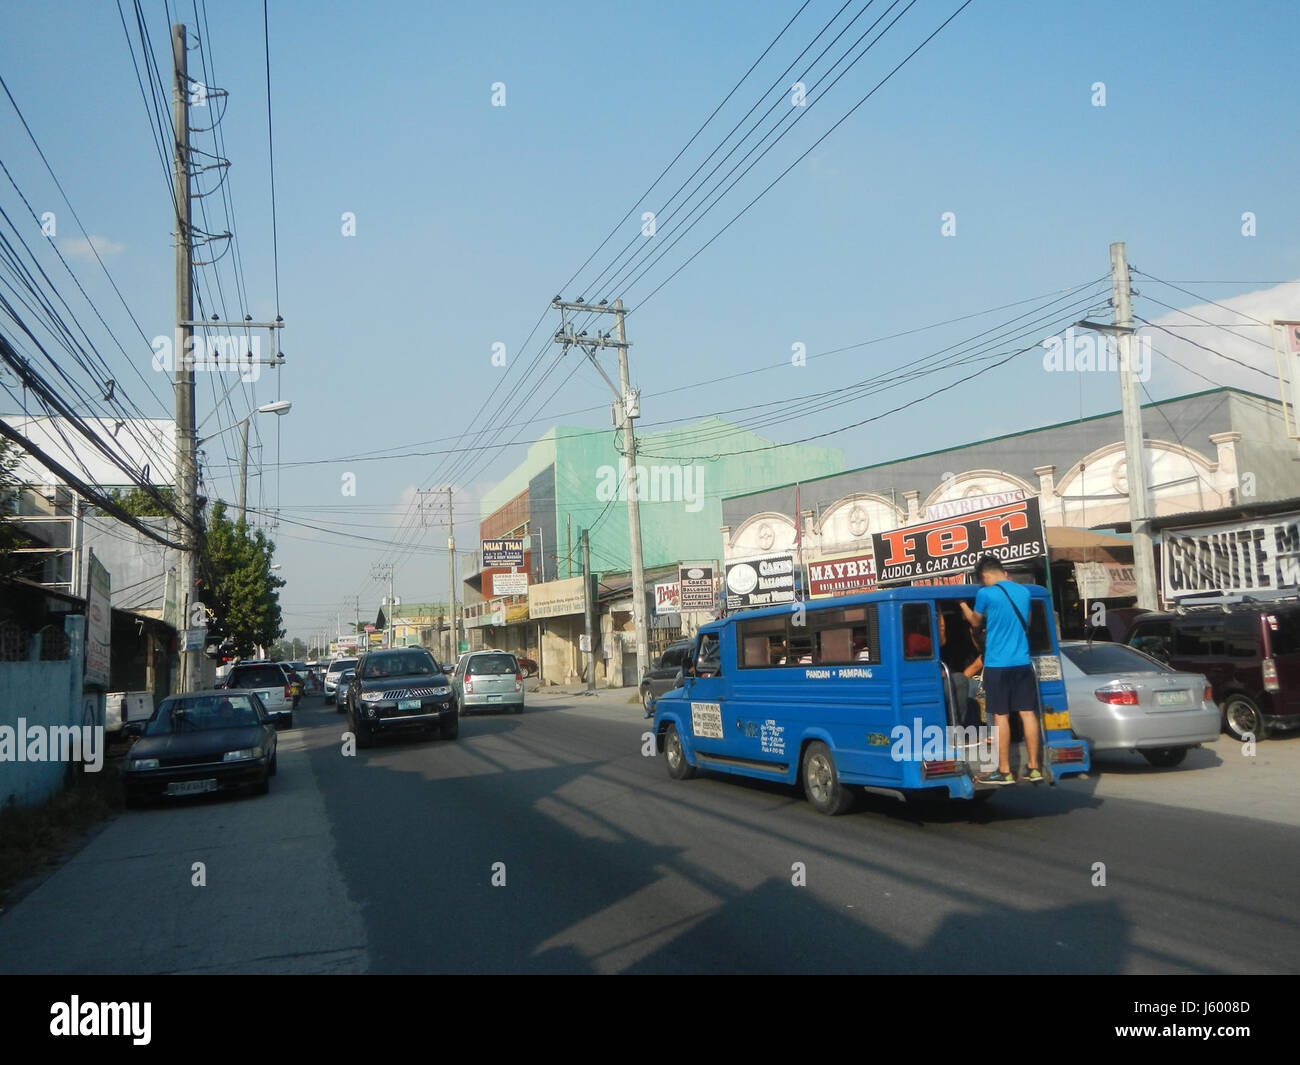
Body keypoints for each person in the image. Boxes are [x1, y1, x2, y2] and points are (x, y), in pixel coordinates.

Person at [960, 555, 1042, 784]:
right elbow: (1027, 621)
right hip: (1023, 663)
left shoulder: (985, 593)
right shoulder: (1024, 592)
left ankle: (1004, 770)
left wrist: (963, 605)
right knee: (1027, 713)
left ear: (985, 575)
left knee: (1001, 716)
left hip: (997, 665)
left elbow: (975, 622)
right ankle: (1034, 766)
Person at [939, 610, 983, 728]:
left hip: (980, 679)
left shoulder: (987, 643)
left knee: (969, 685)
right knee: (964, 684)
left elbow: (979, 663)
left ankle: (976, 730)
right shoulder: (956, 646)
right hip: (960, 679)